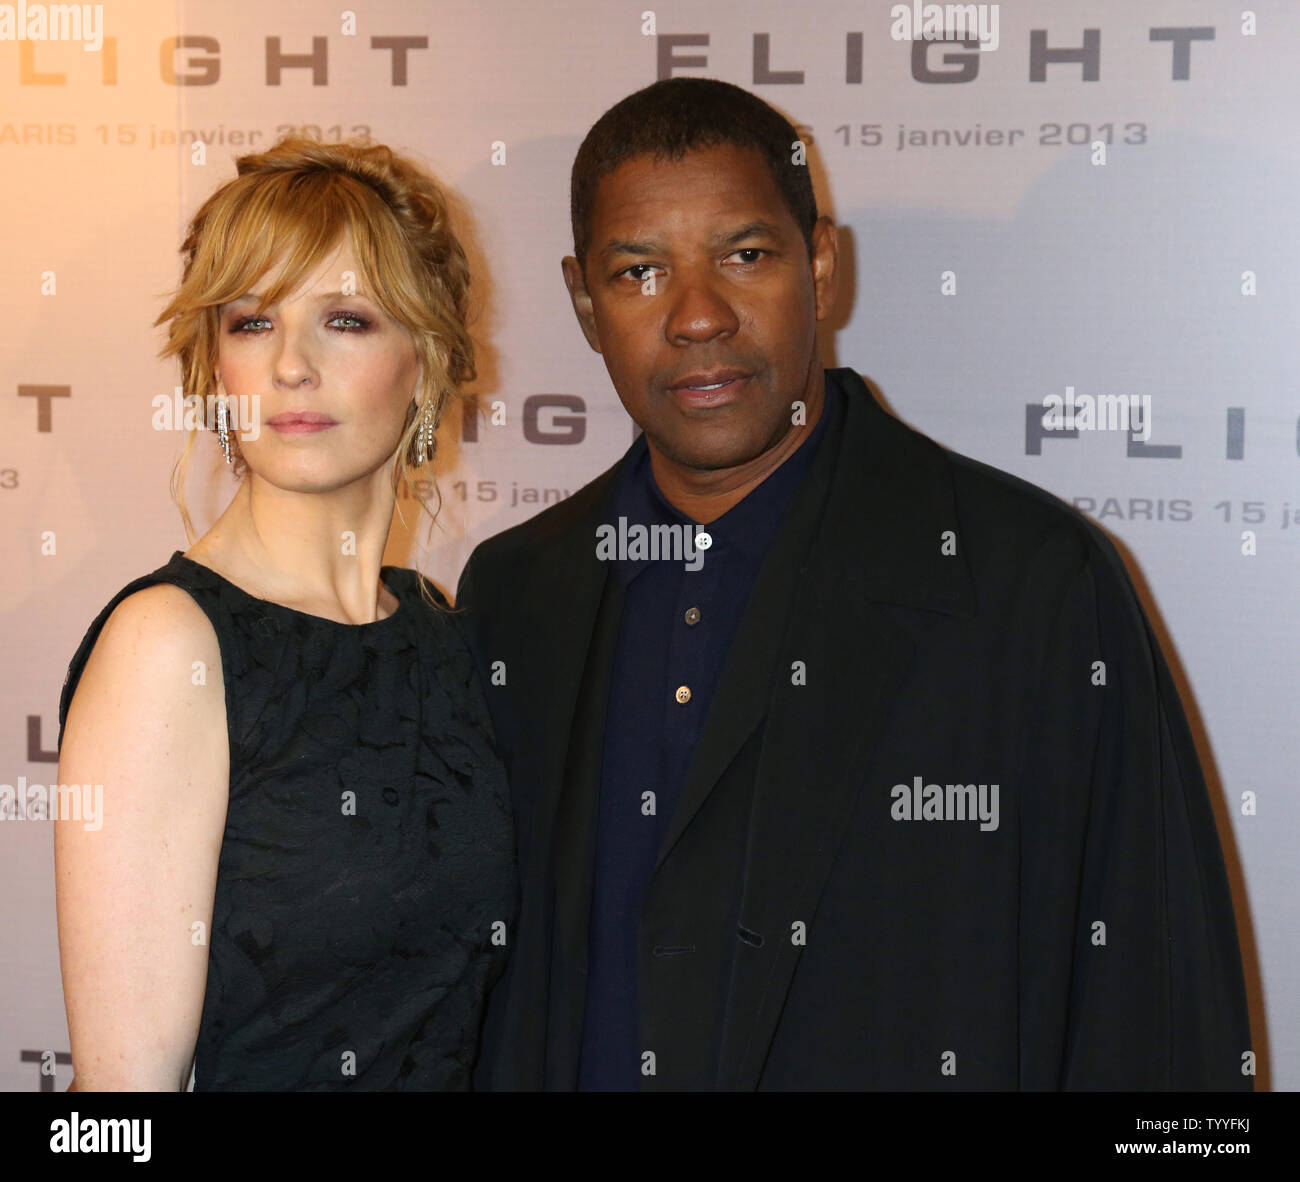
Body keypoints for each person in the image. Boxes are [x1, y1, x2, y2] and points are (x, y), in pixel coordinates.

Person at [456, 77, 1253, 1090]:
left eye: (745, 256)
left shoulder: (1029, 584)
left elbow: (1156, 1006)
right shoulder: (517, 597)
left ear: (820, 268)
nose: (698, 316)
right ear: (583, 302)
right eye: (640, 272)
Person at [54, 136, 516, 1091]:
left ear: (426, 361)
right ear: (211, 365)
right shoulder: (170, 646)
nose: (292, 367)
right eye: (253, 322)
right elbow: (120, 1103)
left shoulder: (443, 629)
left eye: (345, 319)